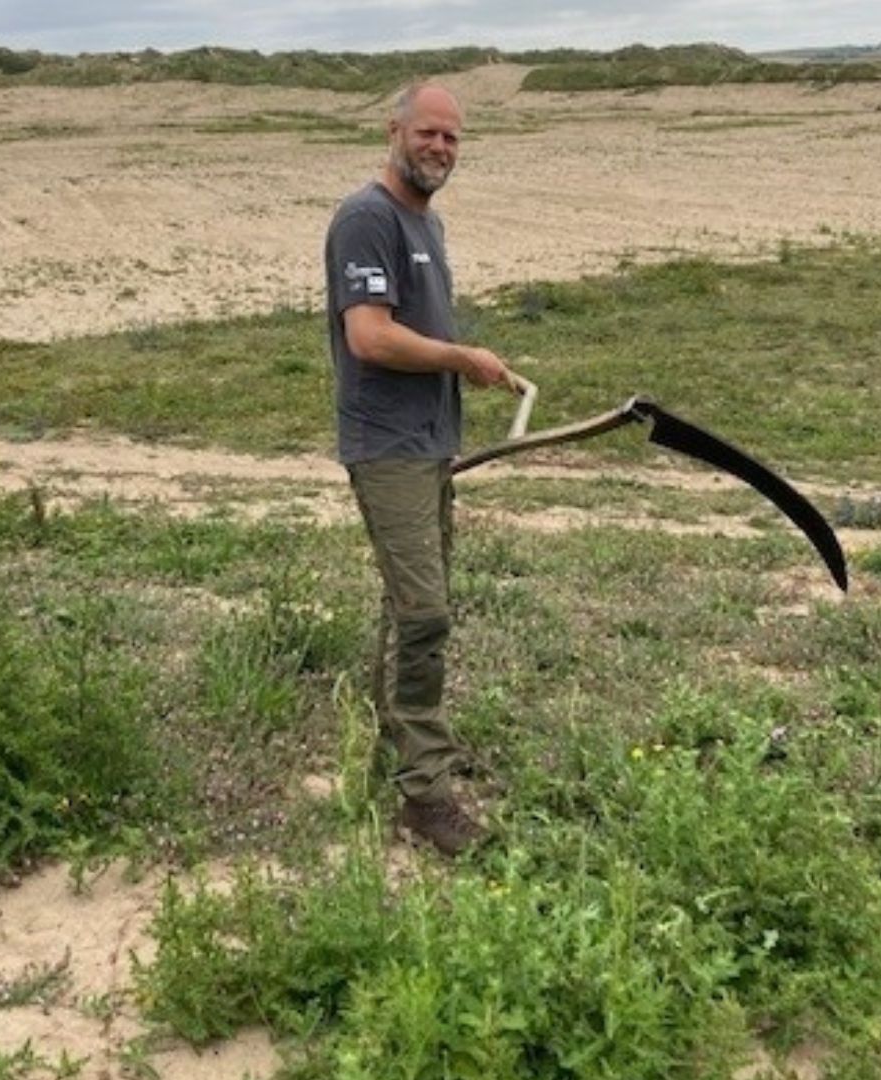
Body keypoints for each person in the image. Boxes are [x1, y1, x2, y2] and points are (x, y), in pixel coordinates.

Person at [324, 81, 513, 857]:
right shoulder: (367, 219)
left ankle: (393, 748)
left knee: (410, 604)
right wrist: (462, 357)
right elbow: (369, 337)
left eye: (453, 139)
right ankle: (425, 797)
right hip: (387, 444)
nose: (440, 147)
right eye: (428, 133)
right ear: (393, 130)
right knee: (426, 613)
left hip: (428, 440)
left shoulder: (424, 222)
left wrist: (458, 378)